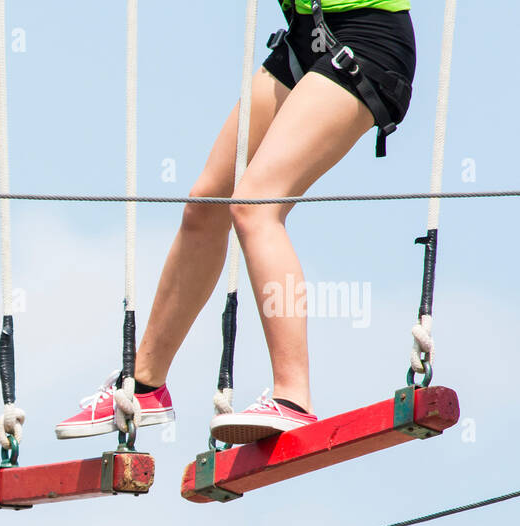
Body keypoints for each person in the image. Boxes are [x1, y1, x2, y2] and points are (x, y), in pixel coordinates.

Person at [55, 0, 416, 445]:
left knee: (254, 205)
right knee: (205, 205)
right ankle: (146, 386)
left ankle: (294, 398)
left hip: (368, 39)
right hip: (304, 39)